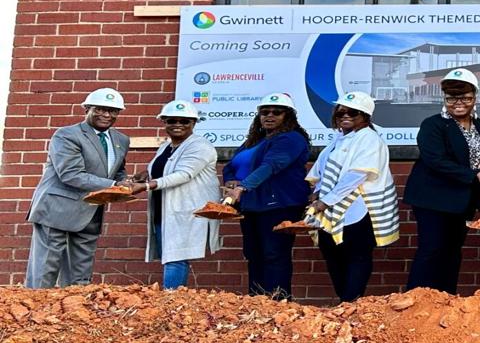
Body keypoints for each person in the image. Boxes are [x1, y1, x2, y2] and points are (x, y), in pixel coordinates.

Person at [26, 87, 133, 288]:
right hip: (56, 207)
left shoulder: (121, 139)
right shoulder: (66, 135)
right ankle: (35, 313)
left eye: (113, 111)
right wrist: (113, 185)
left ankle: (73, 314)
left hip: (91, 209)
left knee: (80, 274)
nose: (107, 115)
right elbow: (70, 174)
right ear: (87, 109)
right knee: (44, 271)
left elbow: (117, 170)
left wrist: (125, 181)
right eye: (100, 109)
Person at [299, 91, 400, 302]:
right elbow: (323, 172)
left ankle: (351, 302)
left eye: (353, 112)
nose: (345, 116)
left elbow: (357, 175)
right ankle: (345, 301)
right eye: (340, 111)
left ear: (365, 116)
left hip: (359, 208)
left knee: (356, 255)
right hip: (332, 208)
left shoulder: (370, 139)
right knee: (332, 252)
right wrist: (318, 192)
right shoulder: (339, 139)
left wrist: (326, 201)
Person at [404, 68, 480, 293]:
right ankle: (416, 301)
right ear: (444, 99)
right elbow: (435, 160)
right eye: (451, 97)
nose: (458, 102)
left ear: (475, 98)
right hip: (433, 199)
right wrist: (474, 174)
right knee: (431, 250)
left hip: (462, 202)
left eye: (465, 97)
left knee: (453, 251)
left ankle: (446, 299)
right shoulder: (433, 124)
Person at [219, 92, 312, 299]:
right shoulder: (254, 141)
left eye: (277, 112)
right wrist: (231, 180)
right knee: (253, 254)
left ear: (288, 116)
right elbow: (231, 165)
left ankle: (278, 303)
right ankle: (257, 302)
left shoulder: (291, 139)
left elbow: (271, 165)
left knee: (274, 254)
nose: (269, 116)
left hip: (279, 205)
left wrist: (242, 187)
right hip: (252, 206)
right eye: (265, 112)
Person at [135, 100, 218, 291]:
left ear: (194, 123)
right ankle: (172, 302)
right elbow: (164, 169)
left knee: (176, 258)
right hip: (163, 209)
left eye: (185, 121)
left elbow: (184, 174)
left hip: (186, 211)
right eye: (172, 120)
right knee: (170, 256)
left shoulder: (200, 146)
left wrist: (148, 185)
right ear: (164, 122)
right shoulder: (166, 146)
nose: (178, 125)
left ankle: (171, 302)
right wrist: (145, 174)